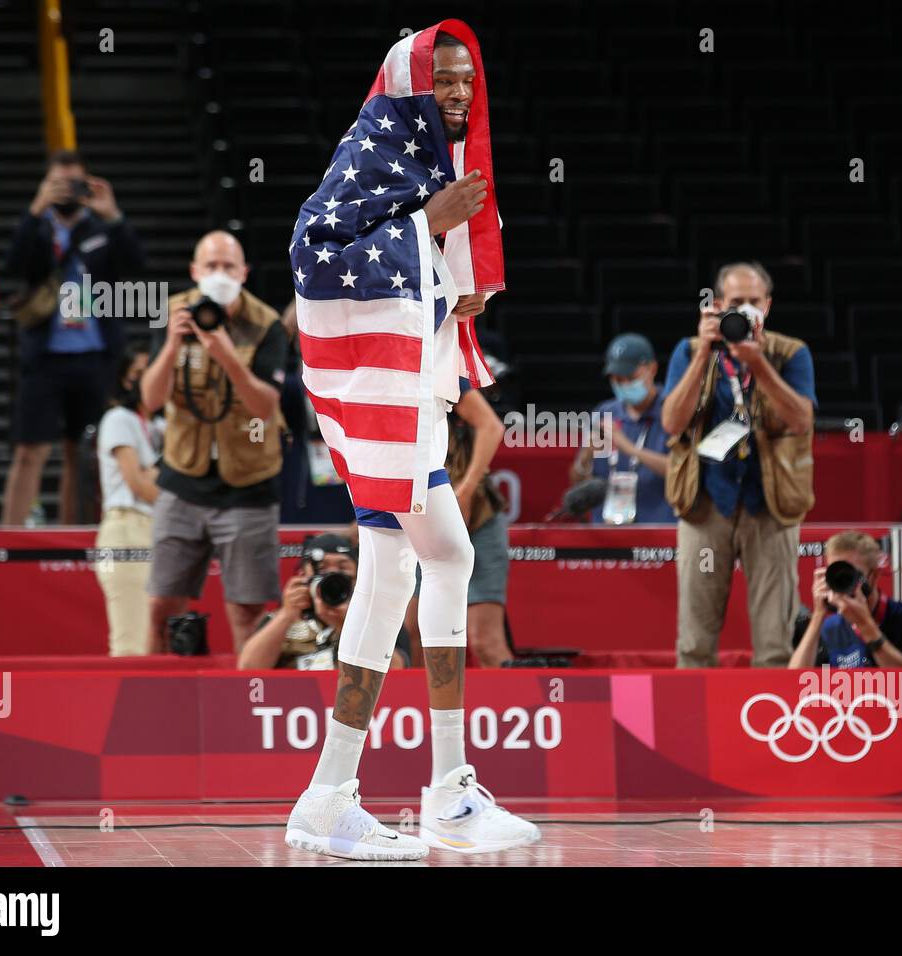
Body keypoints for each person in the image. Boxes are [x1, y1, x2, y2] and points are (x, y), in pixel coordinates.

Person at [285, 21, 538, 861]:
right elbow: (314, 254)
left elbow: (418, 273)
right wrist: (428, 226)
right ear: (410, 84)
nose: (461, 95)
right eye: (445, 81)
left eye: (470, 81)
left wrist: (450, 282)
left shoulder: (431, 156)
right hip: (374, 397)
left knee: (447, 559)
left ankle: (442, 791)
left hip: (414, 396)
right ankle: (335, 799)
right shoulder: (373, 146)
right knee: (395, 566)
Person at [661, 261, 818, 668]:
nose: (746, 310)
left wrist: (758, 363)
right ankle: (689, 728)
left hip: (770, 505)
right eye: (736, 302)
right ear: (717, 305)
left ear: (767, 305)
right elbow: (671, 422)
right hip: (705, 503)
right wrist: (703, 355)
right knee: (694, 642)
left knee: (775, 643)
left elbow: (802, 421)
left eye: (754, 301)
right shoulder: (690, 350)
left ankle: (772, 727)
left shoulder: (790, 352)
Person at [139, 230, 288, 656]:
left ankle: (248, 708)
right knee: (161, 606)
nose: (219, 274)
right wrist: (171, 344)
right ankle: (160, 707)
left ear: (244, 273)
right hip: (183, 479)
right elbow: (150, 399)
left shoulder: (266, 325)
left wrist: (226, 356)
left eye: (228, 267)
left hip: (249, 484)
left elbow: (265, 407)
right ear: (194, 272)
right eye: (211, 267)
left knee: (247, 612)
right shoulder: (173, 313)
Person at [2, 149, 146, 526]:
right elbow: (14, 266)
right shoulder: (37, 226)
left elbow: (136, 266)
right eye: (58, 183)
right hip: (44, 356)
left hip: (96, 357)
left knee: (80, 454)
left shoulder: (101, 228)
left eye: (75, 182)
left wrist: (113, 214)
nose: (67, 191)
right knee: (29, 450)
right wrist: (35, 209)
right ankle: (9, 539)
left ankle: (75, 540)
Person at [403, 388, 512, 667]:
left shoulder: (442, 371)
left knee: (484, 641)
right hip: (420, 522)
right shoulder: (383, 384)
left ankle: (509, 707)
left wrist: (463, 493)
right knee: (412, 632)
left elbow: (492, 427)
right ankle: (418, 708)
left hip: (477, 522)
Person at [238, 533, 412, 670]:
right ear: (303, 574)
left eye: (342, 567)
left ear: (359, 575)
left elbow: (398, 670)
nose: (332, 575)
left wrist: (347, 625)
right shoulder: (282, 618)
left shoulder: (379, 618)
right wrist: (286, 615)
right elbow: (248, 668)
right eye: (322, 568)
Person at [94, 344, 161, 656]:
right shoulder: (118, 419)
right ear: (125, 380)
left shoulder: (157, 425)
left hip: (155, 528)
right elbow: (138, 484)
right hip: (126, 531)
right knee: (131, 641)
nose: (147, 379)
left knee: (154, 640)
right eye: (138, 374)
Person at [568, 332, 674, 524]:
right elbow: (578, 481)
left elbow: (681, 471)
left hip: (658, 531)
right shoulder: (603, 412)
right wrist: (585, 457)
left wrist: (630, 449)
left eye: (630, 377)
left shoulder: (672, 410)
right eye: (616, 379)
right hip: (608, 530)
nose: (623, 384)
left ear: (652, 369)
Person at [788, 531, 902, 669]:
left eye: (851, 573)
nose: (844, 581)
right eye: (837, 572)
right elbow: (794, 680)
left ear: (875, 575)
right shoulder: (831, 627)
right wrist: (818, 615)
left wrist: (865, 625)